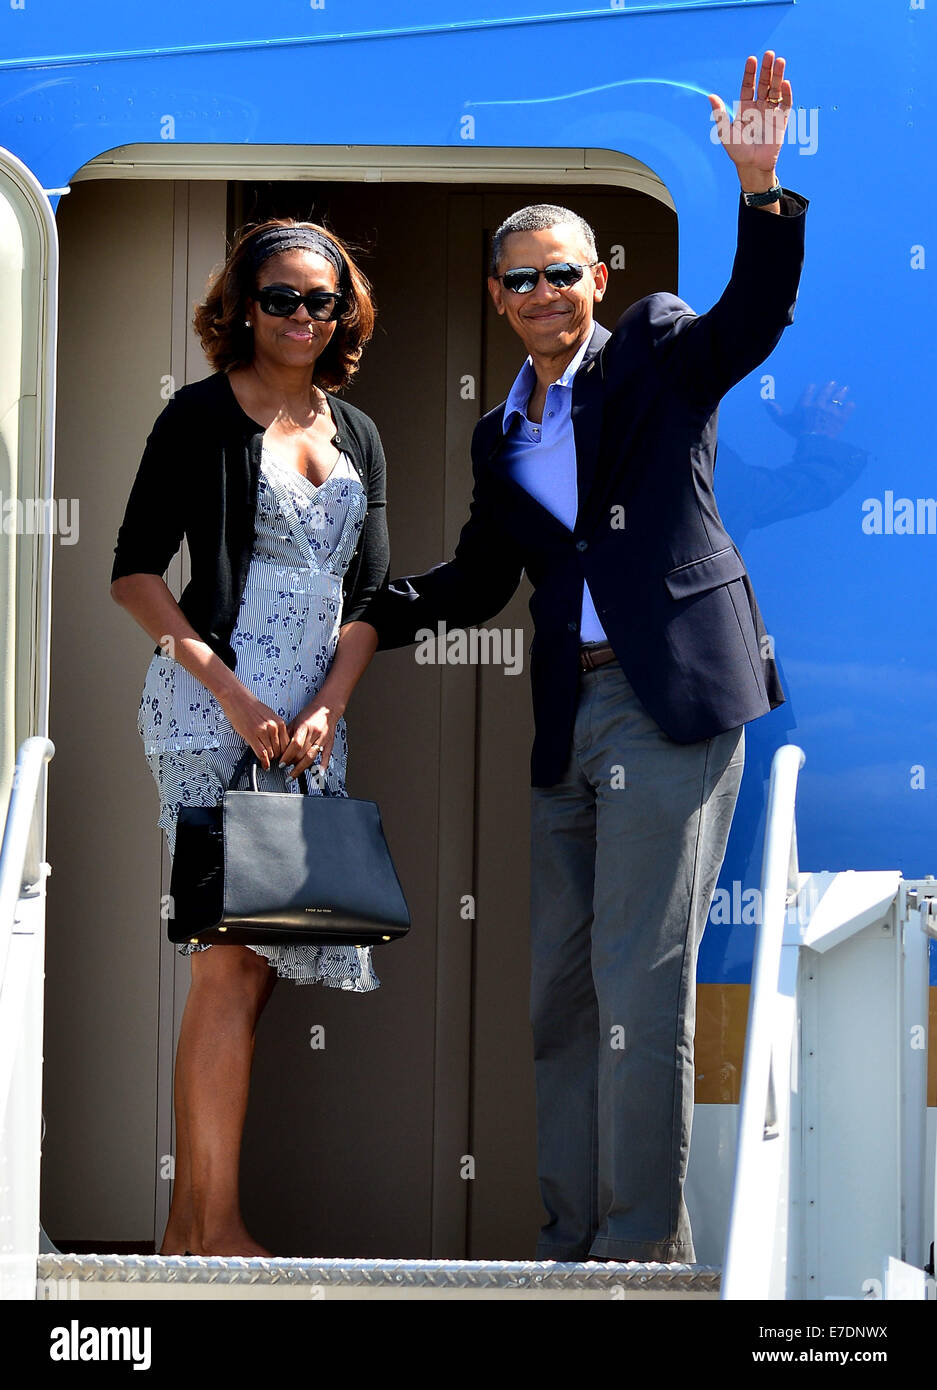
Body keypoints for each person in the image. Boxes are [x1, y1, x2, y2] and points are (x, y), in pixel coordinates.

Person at [365, 52, 807, 1262]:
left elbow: (750, 319)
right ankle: (568, 1247)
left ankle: (635, 1252)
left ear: (597, 280)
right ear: (498, 296)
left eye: (565, 272)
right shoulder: (497, 430)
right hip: (565, 720)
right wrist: (368, 612)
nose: (547, 292)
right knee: (554, 998)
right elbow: (477, 579)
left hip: (668, 708)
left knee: (636, 982)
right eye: (523, 280)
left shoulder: (656, 349)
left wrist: (759, 187)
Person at [110, 219, 389, 1257]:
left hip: (310, 726)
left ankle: (190, 1229)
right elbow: (135, 571)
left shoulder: (354, 429)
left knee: (258, 967)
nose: (304, 317)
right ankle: (216, 1224)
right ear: (243, 303)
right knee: (226, 962)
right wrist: (230, 692)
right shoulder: (196, 416)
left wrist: (329, 705)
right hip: (210, 713)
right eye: (282, 298)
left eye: (323, 301)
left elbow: (372, 595)